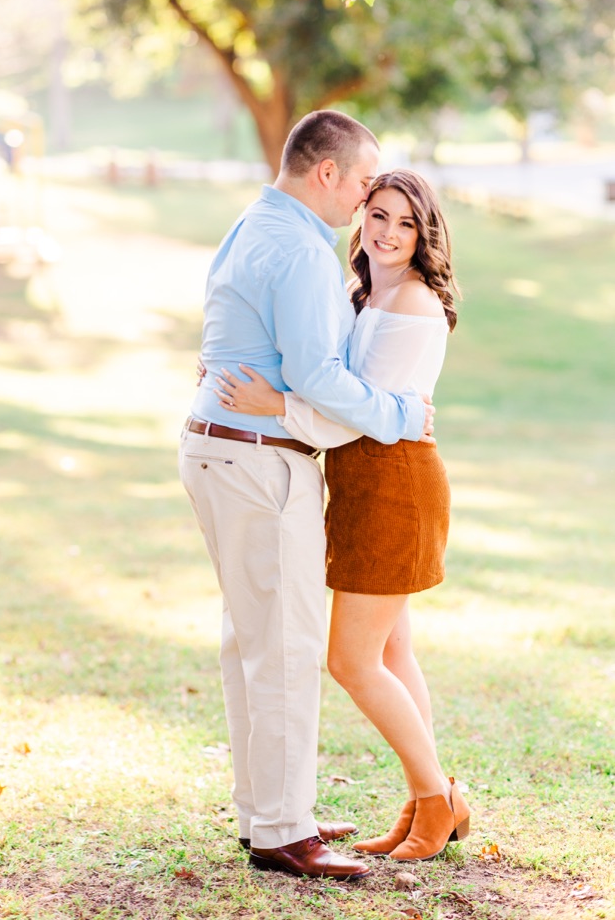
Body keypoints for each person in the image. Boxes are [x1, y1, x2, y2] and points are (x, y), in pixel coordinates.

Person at [178, 111, 434, 881]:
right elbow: (317, 375)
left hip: (219, 448)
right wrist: (400, 415)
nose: (364, 202)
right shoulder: (301, 249)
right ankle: (284, 831)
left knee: (250, 639)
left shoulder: (252, 224)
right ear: (327, 173)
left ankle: (266, 809)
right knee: (283, 645)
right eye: (363, 184)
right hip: (259, 460)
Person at [214, 168, 468, 861]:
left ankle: (438, 799)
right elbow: (325, 373)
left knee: (351, 661)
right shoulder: (364, 292)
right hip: (361, 482)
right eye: (378, 215)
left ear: (424, 235)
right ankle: (429, 799)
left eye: (405, 223)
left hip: (394, 482)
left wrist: (276, 406)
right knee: (391, 652)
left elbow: (359, 412)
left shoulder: (412, 301)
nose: (387, 232)